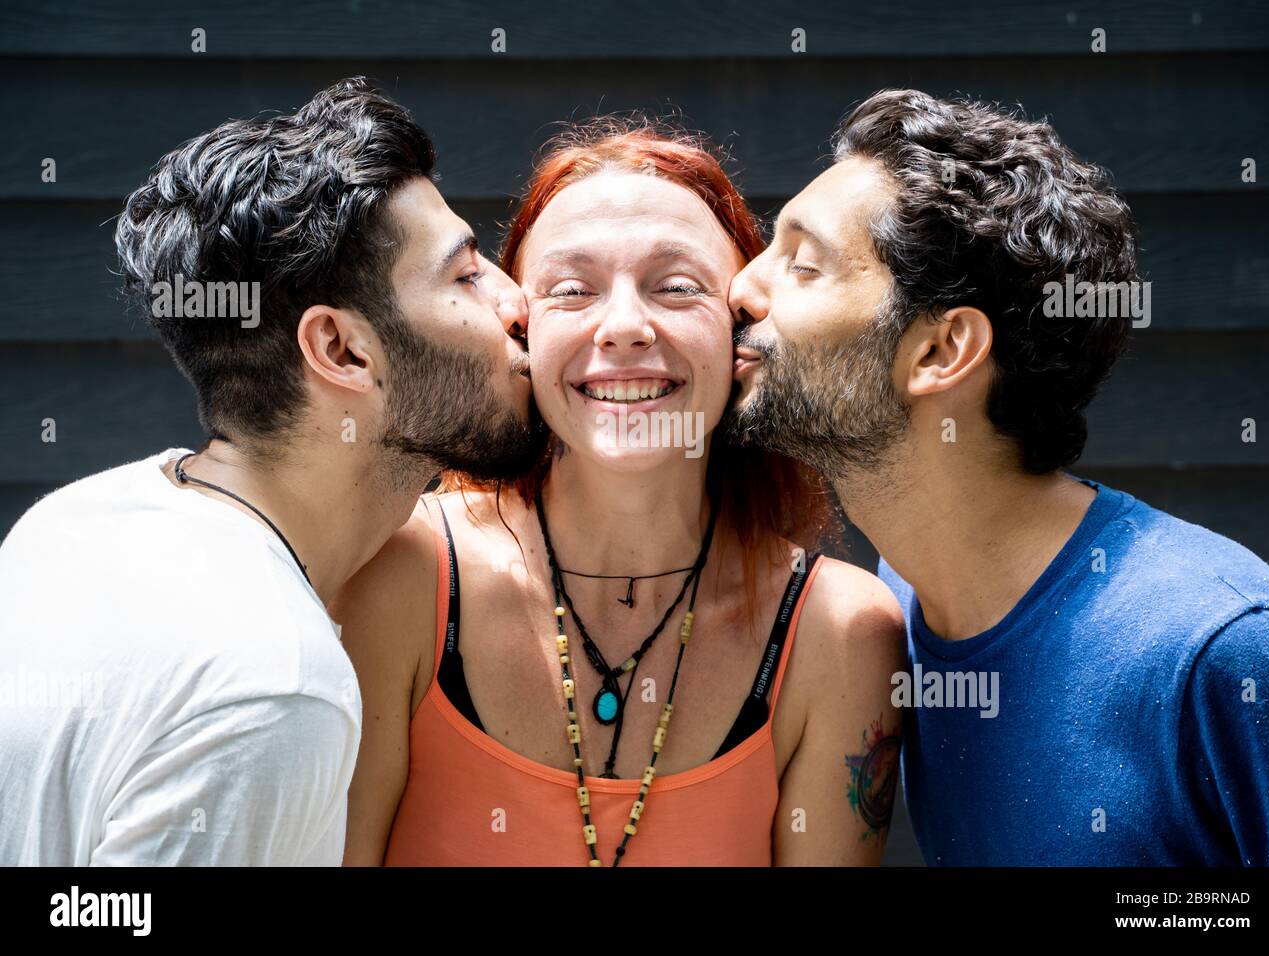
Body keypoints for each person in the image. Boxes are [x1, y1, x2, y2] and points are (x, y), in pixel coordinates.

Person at [725, 88, 1269, 865]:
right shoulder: (903, 602)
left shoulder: (1222, 652)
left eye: (802, 265)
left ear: (939, 351)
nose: (741, 288)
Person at [0, 77, 545, 865]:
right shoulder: (274, 689)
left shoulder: (71, 523)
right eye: (465, 276)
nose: (515, 299)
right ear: (344, 351)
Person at [333, 118, 906, 867]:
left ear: (741, 330)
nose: (626, 327)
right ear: (519, 328)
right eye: (573, 290)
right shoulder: (401, 575)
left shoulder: (841, 633)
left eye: (677, 287)